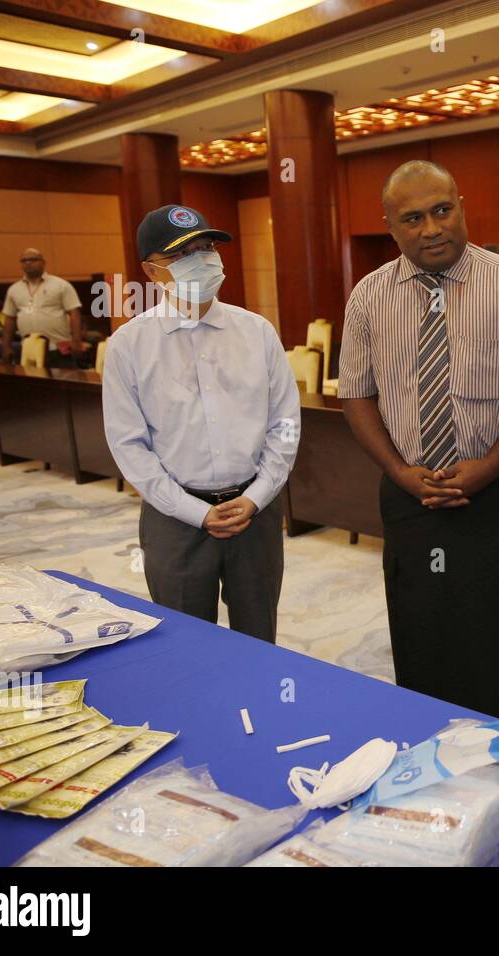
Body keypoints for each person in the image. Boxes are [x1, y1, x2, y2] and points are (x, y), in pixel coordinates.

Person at [339, 160, 499, 728]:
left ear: (462, 205)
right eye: (412, 218)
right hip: (413, 493)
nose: (432, 228)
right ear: (390, 226)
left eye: (442, 210)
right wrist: (399, 470)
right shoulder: (367, 297)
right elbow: (356, 397)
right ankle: (436, 741)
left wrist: (489, 466)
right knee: (427, 633)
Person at [102, 204, 300, 644]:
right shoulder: (129, 346)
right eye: (182, 254)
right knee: (186, 645)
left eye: (206, 247)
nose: (202, 260)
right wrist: (196, 512)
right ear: (152, 272)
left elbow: (285, 423)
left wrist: (258, 495)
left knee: (259, 640)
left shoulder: (257, 332)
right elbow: (129, 446)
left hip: (256, 514)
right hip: (176, 520)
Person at [0, 248, 87, 368]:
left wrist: (76, 341)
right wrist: (6, 346)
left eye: (33, 260)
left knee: (66, 383)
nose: (28, 263)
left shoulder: (60, 285)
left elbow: (74, 313)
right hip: (29, 350)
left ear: (43, 262)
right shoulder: (14, 290)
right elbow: (10, 319)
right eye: (24, 261)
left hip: (58, 349)